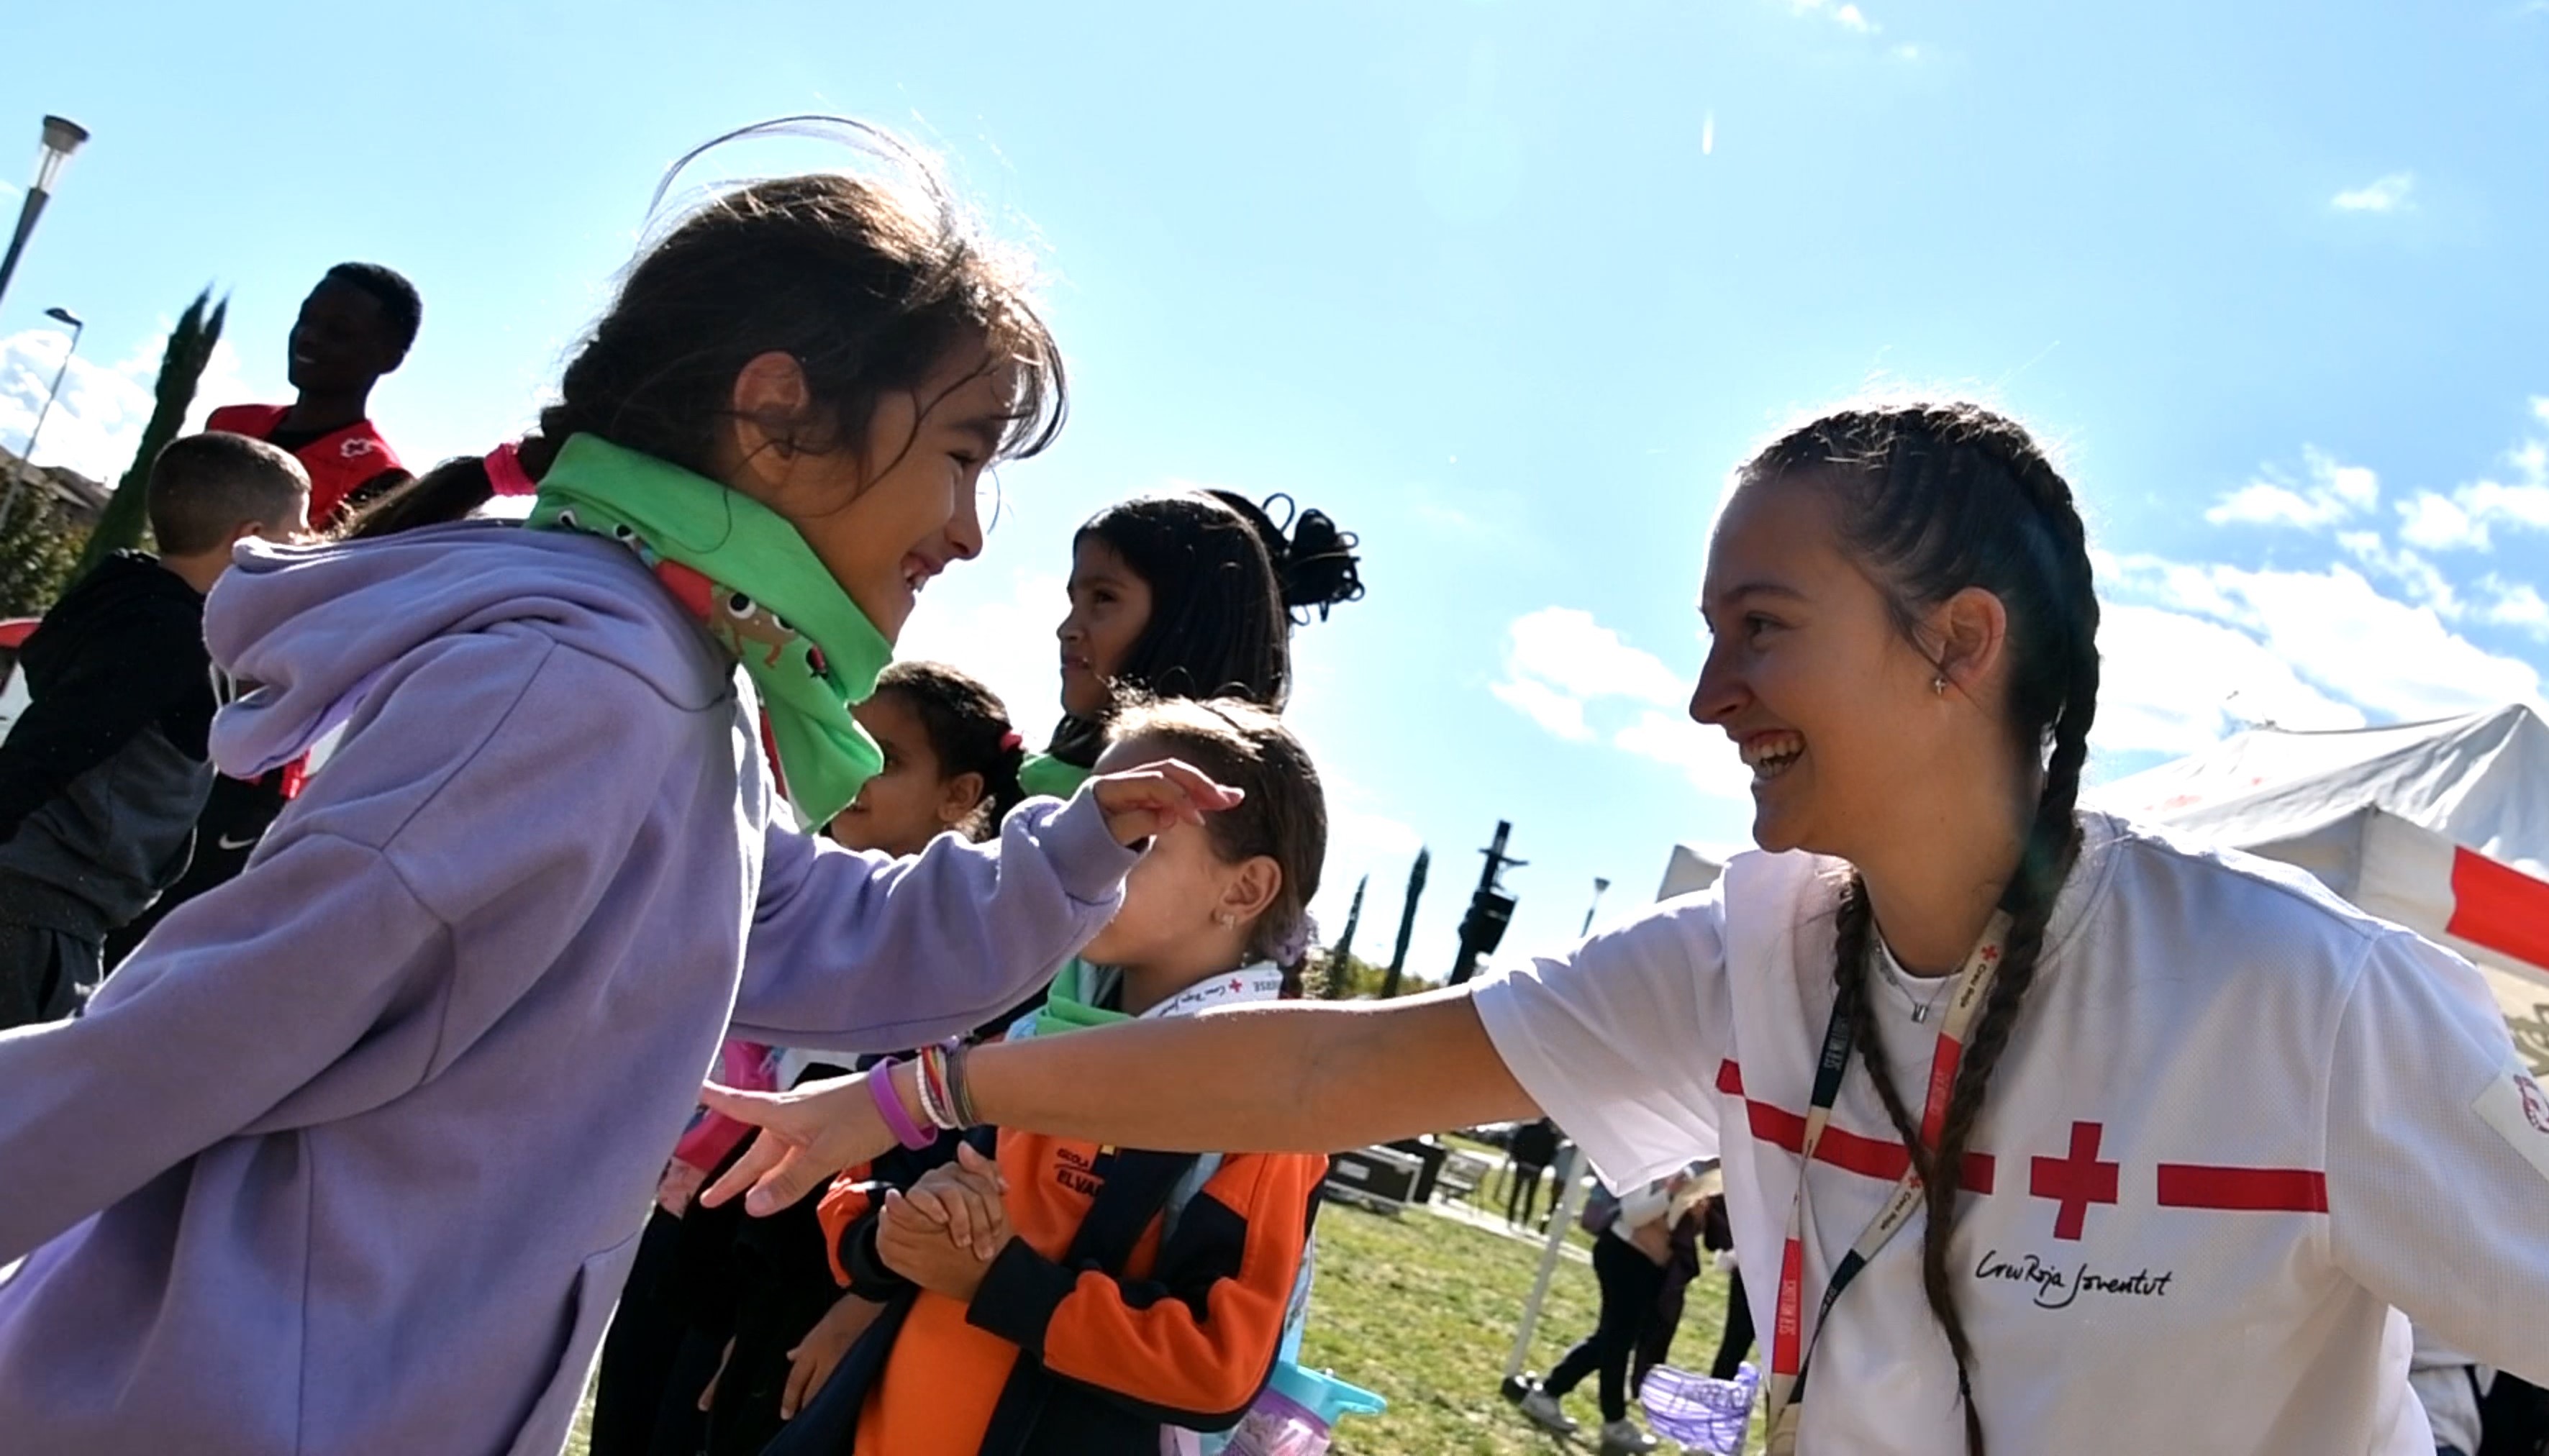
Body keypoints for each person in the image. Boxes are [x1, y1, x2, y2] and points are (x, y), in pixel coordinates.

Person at [704, 401, 2549, 1456]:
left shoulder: (2307, 998)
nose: (1701, 694)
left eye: (1761, 628)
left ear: (1960, 643)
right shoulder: (1756, 954)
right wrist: (917, 1090)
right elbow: (1330, 1070)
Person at [0, 132, 1243, 1456]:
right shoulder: (577, 688)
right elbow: (192, 1036)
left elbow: (819, 930)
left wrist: (1070, 852)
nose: (970, 528)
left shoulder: (685, 693)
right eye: (960, 452)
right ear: (775, 417)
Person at [774, 697, 1329, 1455]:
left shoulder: (1261, 1111)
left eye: (1134, 836)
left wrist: (1000, 1282)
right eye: (1086, 820)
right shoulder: (1029, 1027)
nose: (1089, 852)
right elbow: (868, 1195)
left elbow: (1217, 1364)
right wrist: (896, 1230)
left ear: (1243, 890)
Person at [0, 432, 309, 1026]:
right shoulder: (166, 640)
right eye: (297, 532)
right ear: (248, 539)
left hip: (49, 902)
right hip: (39, 908)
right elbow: (54, 746)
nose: (305, 548)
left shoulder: (124, 601)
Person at [1022, 488, 1364, 798]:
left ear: (1191, 625)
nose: (1067, 629)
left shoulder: (1185, 818)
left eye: (1103, 598)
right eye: (1074, 602)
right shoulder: (1029, 778)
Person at [206, 261, 420, 529]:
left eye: (338, 331)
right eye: (305, 318)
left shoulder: (382, 481)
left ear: (390, 358)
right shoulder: (230, 426)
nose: (308, 337)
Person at [1520, 1172, 1701, 1454]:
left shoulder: (1687, 1171)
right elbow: (1632, 1215)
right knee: (1616, 1342)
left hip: (1648, 1267)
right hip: (1624, 1257)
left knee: (1613, 1341)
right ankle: (1611, 1419)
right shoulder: (1651, 1166)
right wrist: (1669, 1195)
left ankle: (1551, 1393)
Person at [1504, 1114, 1561, 1229]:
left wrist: (1517, 1158)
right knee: (1530, 1195)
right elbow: (1552, 1153)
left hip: (1523, 1164)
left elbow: (1516, 1142)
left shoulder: (1528, 1129)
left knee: (1516, 1191)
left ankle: (1510, 1217)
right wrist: (1543, 1165)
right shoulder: (1551, 1136)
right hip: (1536, 1167)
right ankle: (1524, 1220)